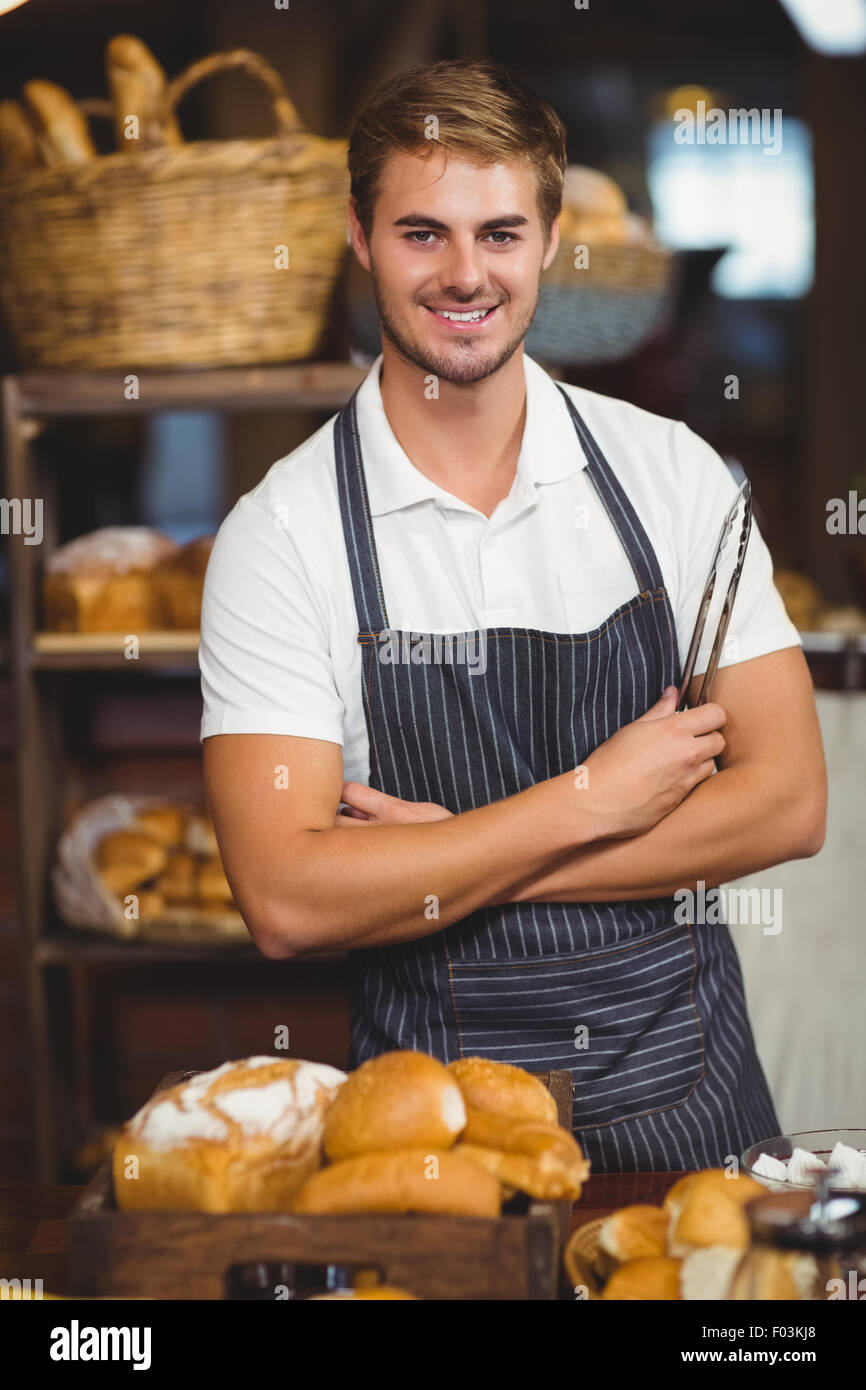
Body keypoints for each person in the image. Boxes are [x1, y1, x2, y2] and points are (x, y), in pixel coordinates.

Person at [199, 59, 826, 1172]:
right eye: (420, 233)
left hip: (694, 1120)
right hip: (432, 1144)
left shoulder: (671, 475)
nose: (463, 274)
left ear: (545, 242)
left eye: (498, 233)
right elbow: (286, 898)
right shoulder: (281, 535)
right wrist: (598, 797)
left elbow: (784, 803)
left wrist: (442, 858)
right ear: (358, 235)